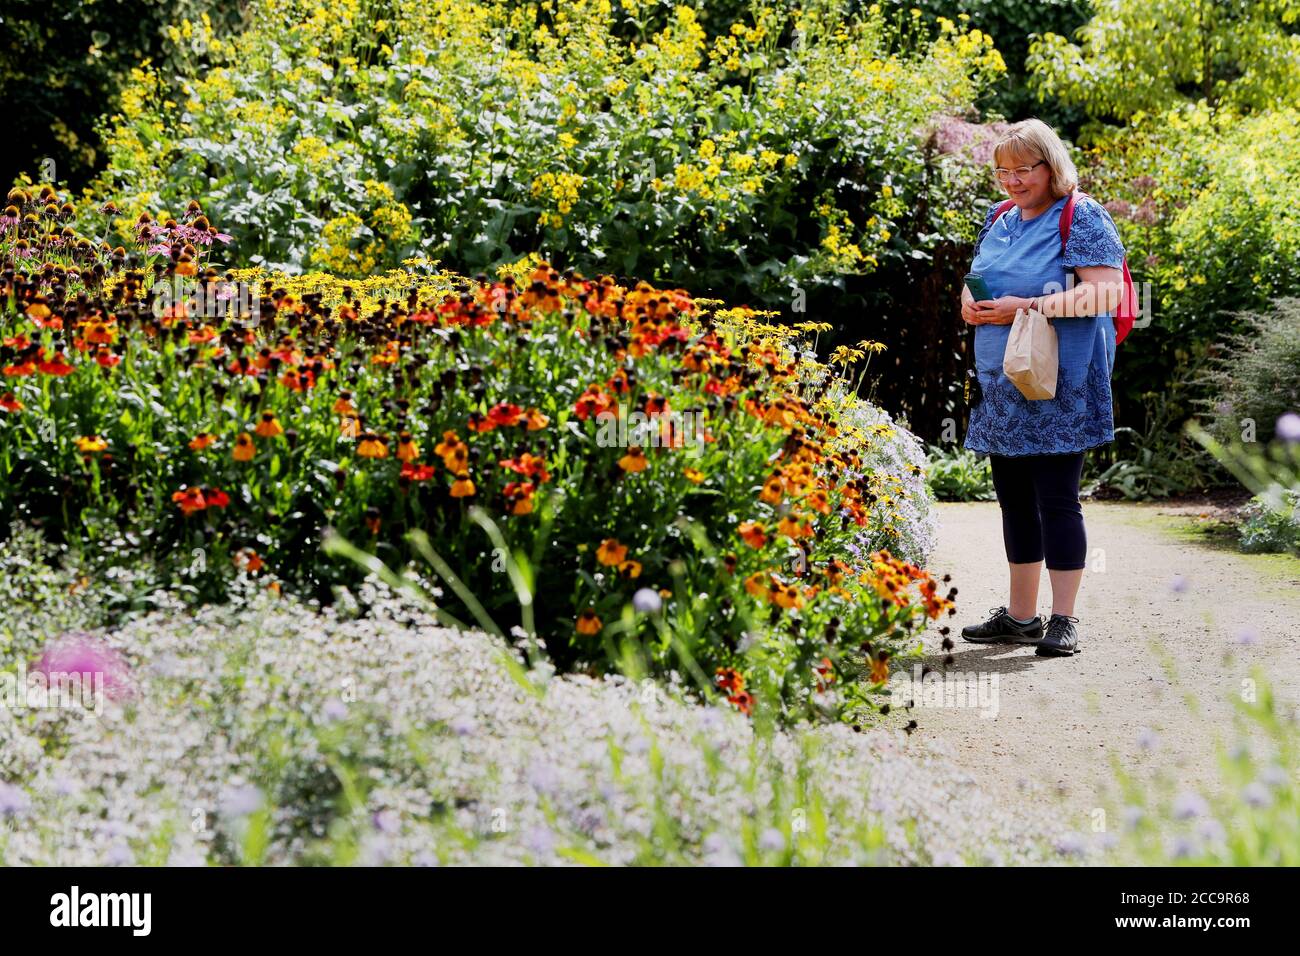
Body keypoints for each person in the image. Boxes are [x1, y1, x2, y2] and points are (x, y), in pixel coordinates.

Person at [957, 118, 1127, 657]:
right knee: (1013, 502)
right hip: (1003, 380)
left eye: (1022, 170)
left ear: (1051, 167)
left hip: (1061, 382)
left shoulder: (1083, 215)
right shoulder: (999, 217)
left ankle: (1064, 619)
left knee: (1057, 500)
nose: (1011, 181)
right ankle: (1021, 617)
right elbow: (982, 275)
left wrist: (1023, 307)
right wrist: (969, 298)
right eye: (1003, 171)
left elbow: (1103, 295)